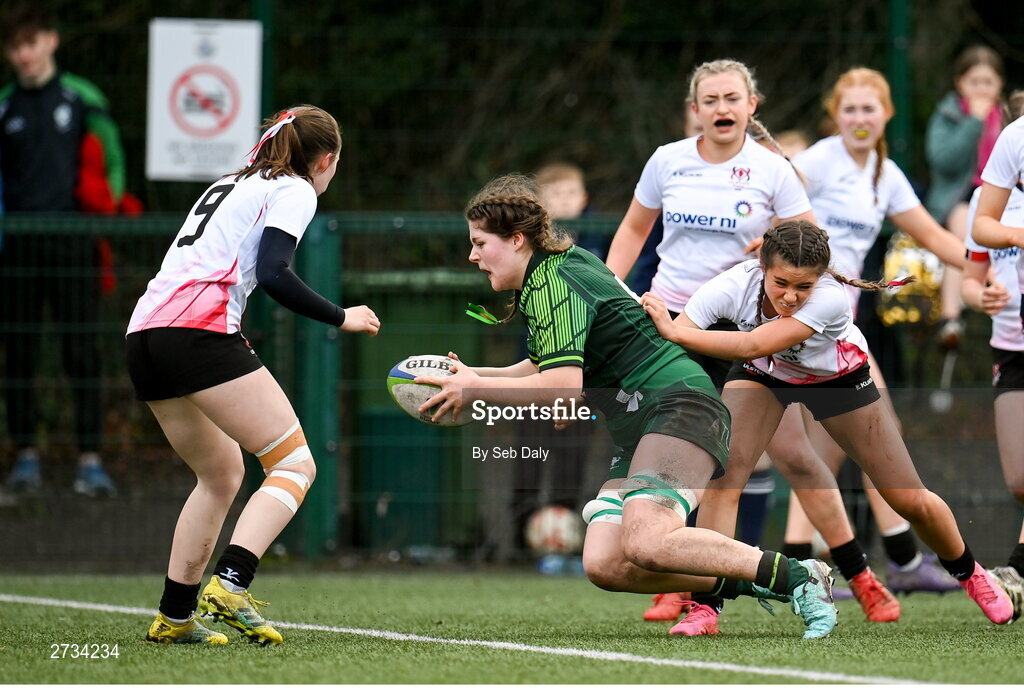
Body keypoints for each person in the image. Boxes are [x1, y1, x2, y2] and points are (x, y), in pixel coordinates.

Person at [418, 174, 839, 640]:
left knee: (647, 539)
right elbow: (541, 365)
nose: (472, 255)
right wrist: (477, 377)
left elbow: (562, 388)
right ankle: (765, 579)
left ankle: (799, 576)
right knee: (607, 563)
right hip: (641, 425)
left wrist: (476, 393)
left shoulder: (556, 281)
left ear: (516, 240)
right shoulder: (550, 274)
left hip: (679, 405)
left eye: (480, 243)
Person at [605, 59, 886, 632]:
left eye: (731, 97)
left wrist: (771, 248)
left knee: (795, 457)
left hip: (743, 329)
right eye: (709, 100)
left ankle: (858, 574)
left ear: (751, 105)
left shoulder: (772, 168)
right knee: (678, 458)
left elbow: (812, 246)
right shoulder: (668, 160)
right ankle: (684, 582)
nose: (721, 108)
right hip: (675, 325)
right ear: (696, 109)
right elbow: (636, 229)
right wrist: (611, 288)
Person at [642, 219, 1014, 627]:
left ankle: (971, 573)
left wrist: (675, 333)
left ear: (820, 278)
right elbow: (687, 338)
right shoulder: (731, 285)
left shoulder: (831, 298)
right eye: (781, 282)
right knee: (724, 480)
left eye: (803, 286)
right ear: (761, 265)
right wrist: (668, 332)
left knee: (908, 497)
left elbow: (752, 342)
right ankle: (705, 606)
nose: (790, 296)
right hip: (764, 374)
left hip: (838, 379)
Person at [128, 106, 380, 645]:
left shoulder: (232, 181)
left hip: (144, 335)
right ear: (326, 159)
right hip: (198, 332)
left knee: (220, 474)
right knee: (294, 461)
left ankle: (174, 617)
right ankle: (232, 584)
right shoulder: (295, 188)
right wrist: (343, 316)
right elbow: (273, 272)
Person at [782, 67, 967, 596]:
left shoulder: (884, 174)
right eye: (850, 109)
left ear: (886, 114)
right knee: (872, 430)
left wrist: (983, 266)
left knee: (833, 444)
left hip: (840, 321)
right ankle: (901, 559)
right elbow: (773, 213)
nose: (860, 119)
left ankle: (804, 565)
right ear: (835, 115)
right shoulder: (817, 161)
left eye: (870, 109)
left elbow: (931, 233)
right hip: (808, 315)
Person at [0, 4, 126, 497]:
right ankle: (25, 457)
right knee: (20, 354)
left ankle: (90, 461)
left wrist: (106, 214)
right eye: (14, 46)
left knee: (81, 350)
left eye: (31, 43)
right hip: (19, 251)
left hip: (74, 246)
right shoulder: (5, 104)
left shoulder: (83, 98)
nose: (24, 54)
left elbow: (112, 161)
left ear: (51, 41)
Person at [963, 91, 1024, 621]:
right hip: (1011, 341)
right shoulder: (1001, 199)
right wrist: (979, 295)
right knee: (1020, 478)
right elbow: (971, 272)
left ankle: (1019, 566)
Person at [926, 46, 1005, 348]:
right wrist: (973, 123)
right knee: (964, 231)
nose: (981, 89)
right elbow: (943, 160)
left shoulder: (1009, 118)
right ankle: (951, 317)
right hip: (960, 195)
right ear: (960, 83)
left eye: (988, 82)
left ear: (999, 84)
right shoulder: (948, 114)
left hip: (1002, 195)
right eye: (974, 82)